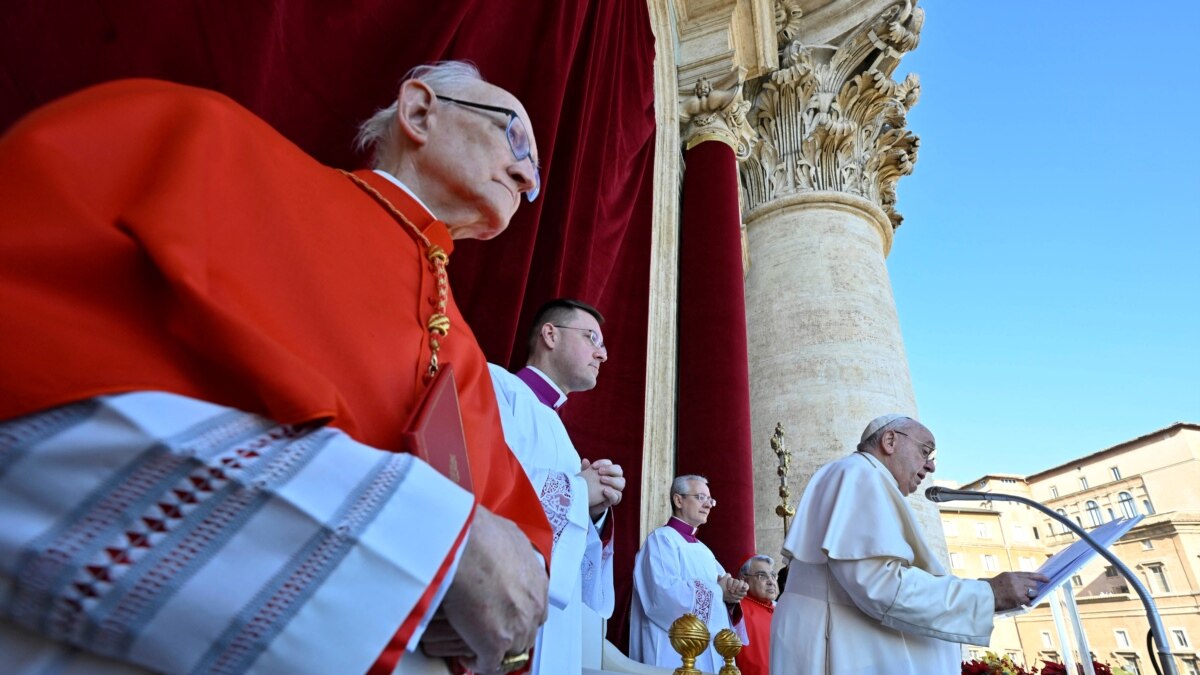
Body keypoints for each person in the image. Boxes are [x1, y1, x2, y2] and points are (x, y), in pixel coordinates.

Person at [0, 61, 552, 674]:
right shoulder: (204, 144)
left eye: (535, 171)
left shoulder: (469, 355)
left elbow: (517, 574)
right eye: (516, 138)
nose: (526, 172)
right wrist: (425, 545)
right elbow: (28, 367)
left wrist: (493, 603)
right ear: (420, 111)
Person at [770, 414, 1050, 674]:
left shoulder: (858, 475)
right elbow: (881, 585)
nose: (931, 465)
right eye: (925, 451)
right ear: (890, 441)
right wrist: (986, 594)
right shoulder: (861, 474)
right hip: (839, 647)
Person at [489, 298, 624, 674]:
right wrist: (580, 491)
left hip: (555, 620)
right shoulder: (499, 386)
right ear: (550, 334)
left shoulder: (559, 430)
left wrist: (594, 509)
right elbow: (490, 485)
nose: (603, 355)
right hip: (505, 596)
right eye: (591, 339)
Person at [630, 475, 747, 671]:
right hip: (672, 651)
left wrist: (732, 595)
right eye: (701, 497)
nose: (709, 505)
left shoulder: (704, 550)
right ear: (678, 500)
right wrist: (718, 592)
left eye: (710, 500)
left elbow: (722, 589)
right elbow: (662, 595)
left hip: (711, 651)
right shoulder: (661, 540)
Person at [736, 554, 777, 675]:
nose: (771, 582)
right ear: (744, 579)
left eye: (773, 576)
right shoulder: (736, 608)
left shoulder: (780, 608)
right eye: (762, 576)